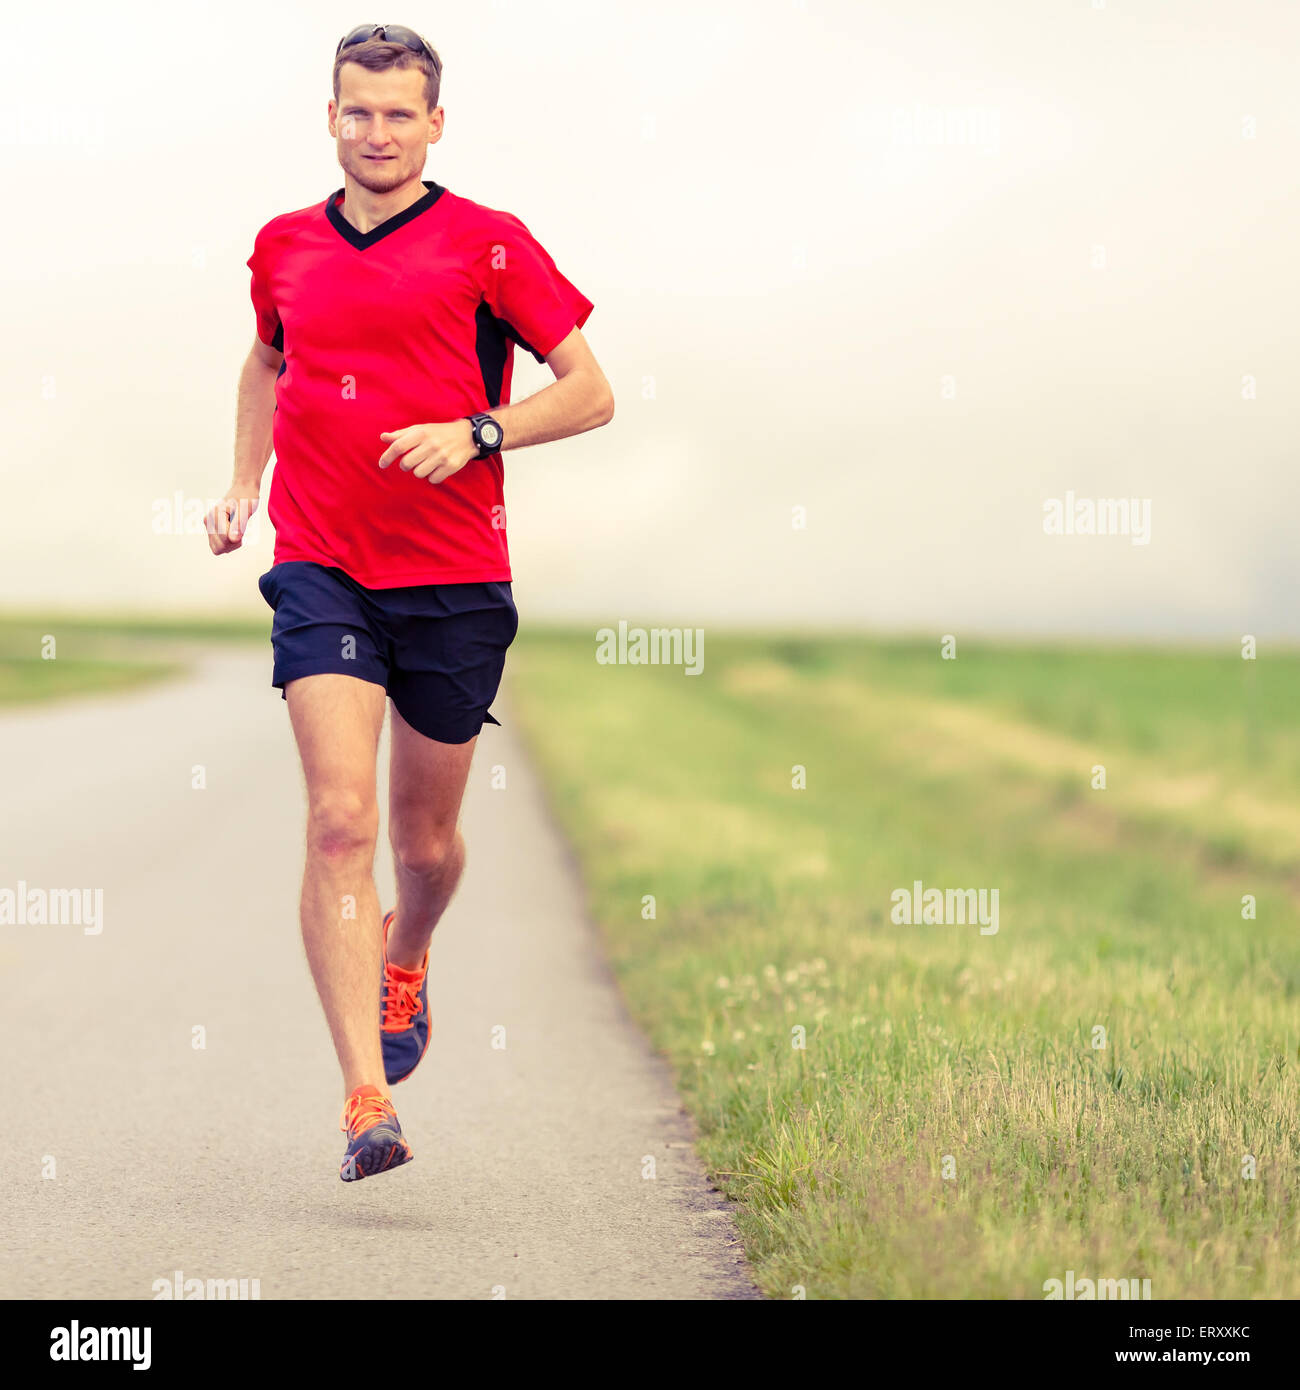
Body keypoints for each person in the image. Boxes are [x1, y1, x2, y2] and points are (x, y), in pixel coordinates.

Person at [206, 23, 613, 1181]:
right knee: (339, 822)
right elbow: (266, 360)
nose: (376, 133)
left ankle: (409, 949)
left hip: (453, 581)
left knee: (422, 846)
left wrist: (480, 430)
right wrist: (244, 486)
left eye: (399, 114)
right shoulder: (284, 245)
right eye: (358, 111)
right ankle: (365, 1099)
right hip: (321, 565)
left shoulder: (490, 243)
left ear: (435, 123)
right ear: (329, 117)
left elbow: (589, 391)